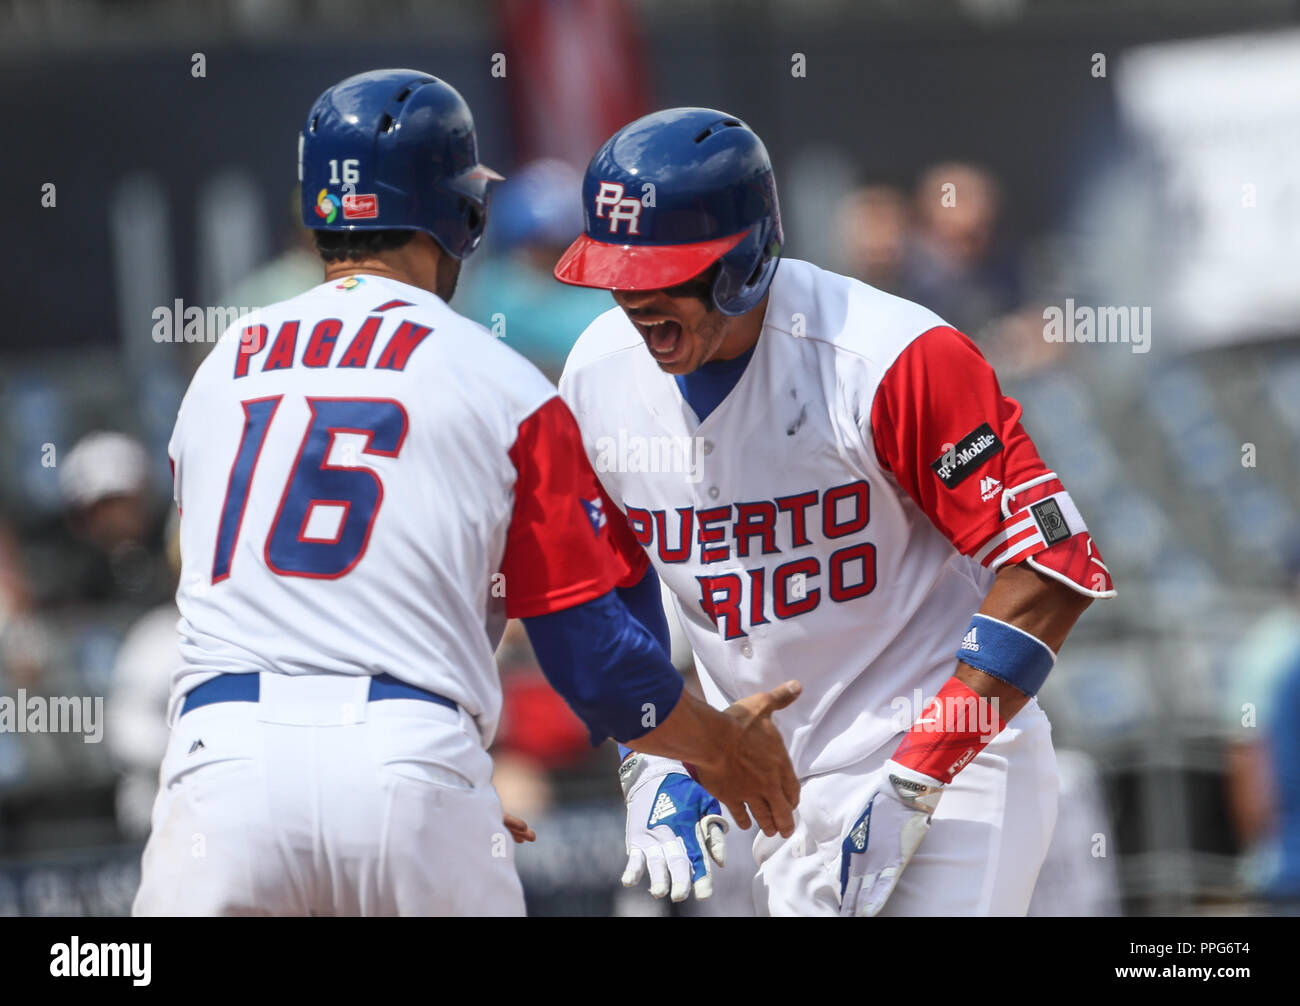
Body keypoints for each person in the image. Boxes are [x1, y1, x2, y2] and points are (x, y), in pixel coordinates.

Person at [132, 73, 799, 918]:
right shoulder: (502, 382)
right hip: (406, 756)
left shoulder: (219, 368)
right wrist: (713, 746)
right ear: (464, 216)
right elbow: (590, 657)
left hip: (215, 767)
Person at [555, 108, 1116, 916]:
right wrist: (656, 754)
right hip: (775, 784)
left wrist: (922, 771)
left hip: (948, 760)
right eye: (618, 271)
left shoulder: (887, 355)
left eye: (661, 275)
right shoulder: (597, 373)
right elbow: (614, 575)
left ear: (745, 256)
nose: (634, 300)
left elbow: (1051, 565)